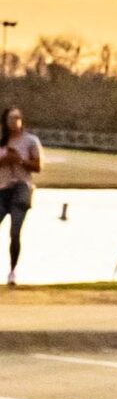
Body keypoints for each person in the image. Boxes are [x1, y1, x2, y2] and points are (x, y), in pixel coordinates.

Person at [0, 105, 42, 287]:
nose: (15, 122)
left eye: (17, 118)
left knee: (15, 232)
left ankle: (12, 271)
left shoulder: (30, 141)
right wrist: (4, 160)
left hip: (21, 188)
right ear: (5, 121)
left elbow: (38, 166)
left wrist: (20, 160)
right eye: (11, 119)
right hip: (2, 188)